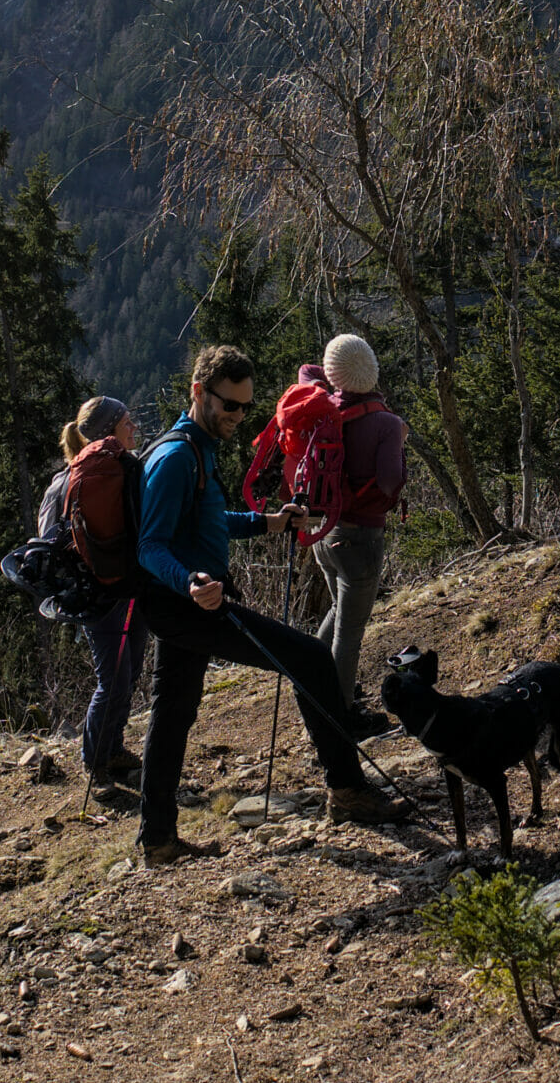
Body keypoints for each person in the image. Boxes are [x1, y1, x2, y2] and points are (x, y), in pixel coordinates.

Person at [129, 345, 403, 864]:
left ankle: (158, 839)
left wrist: (266, 522)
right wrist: (190, 581)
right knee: (310, 658)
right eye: (228, 405)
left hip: (185, 600)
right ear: (198, 392)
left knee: (173, 711)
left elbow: (207, 521)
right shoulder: (174, 458)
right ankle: (347, 790)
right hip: (190, 602)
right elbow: (150, 545)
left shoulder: (197, 447)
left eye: (244, 408)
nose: (236, 417)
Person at [37, 395, 146, 796]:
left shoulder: (68, 481)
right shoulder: (97, 475)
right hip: (120, 588)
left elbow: (48, 541)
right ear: (108, 431)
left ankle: (111, 750)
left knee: (126, 672)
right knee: (115, 677)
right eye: (127, 422)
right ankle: (96, 763)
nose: (133, 428)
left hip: (96, 591)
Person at [301, 333, 405, 700]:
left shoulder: (324, 408)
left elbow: (307, 369)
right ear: (373, 370)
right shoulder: (387, 424)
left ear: (334, 376)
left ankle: (311, 673)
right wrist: (399, 443)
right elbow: (391, 484)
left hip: (324, 533)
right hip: (361, 539)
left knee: (339, 612)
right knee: (349, 635)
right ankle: (341, 713)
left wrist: (327, 381)